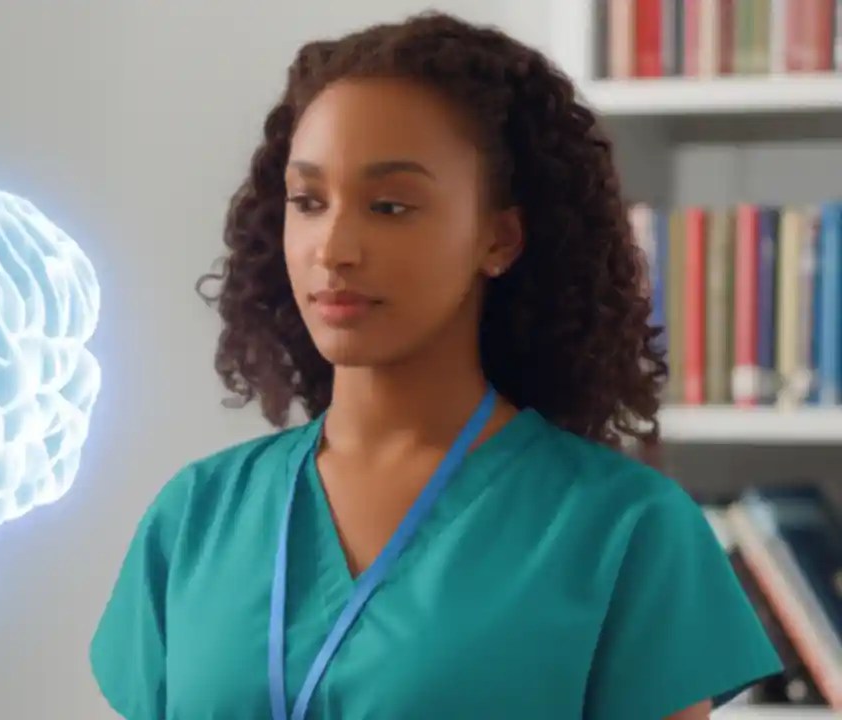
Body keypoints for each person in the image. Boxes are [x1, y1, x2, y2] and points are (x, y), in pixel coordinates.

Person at [90, 11, 782, 719]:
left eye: (389, 206)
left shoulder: (625, 530)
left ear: (499, 237)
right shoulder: (197, 516)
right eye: (308, 201)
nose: (333, 248)